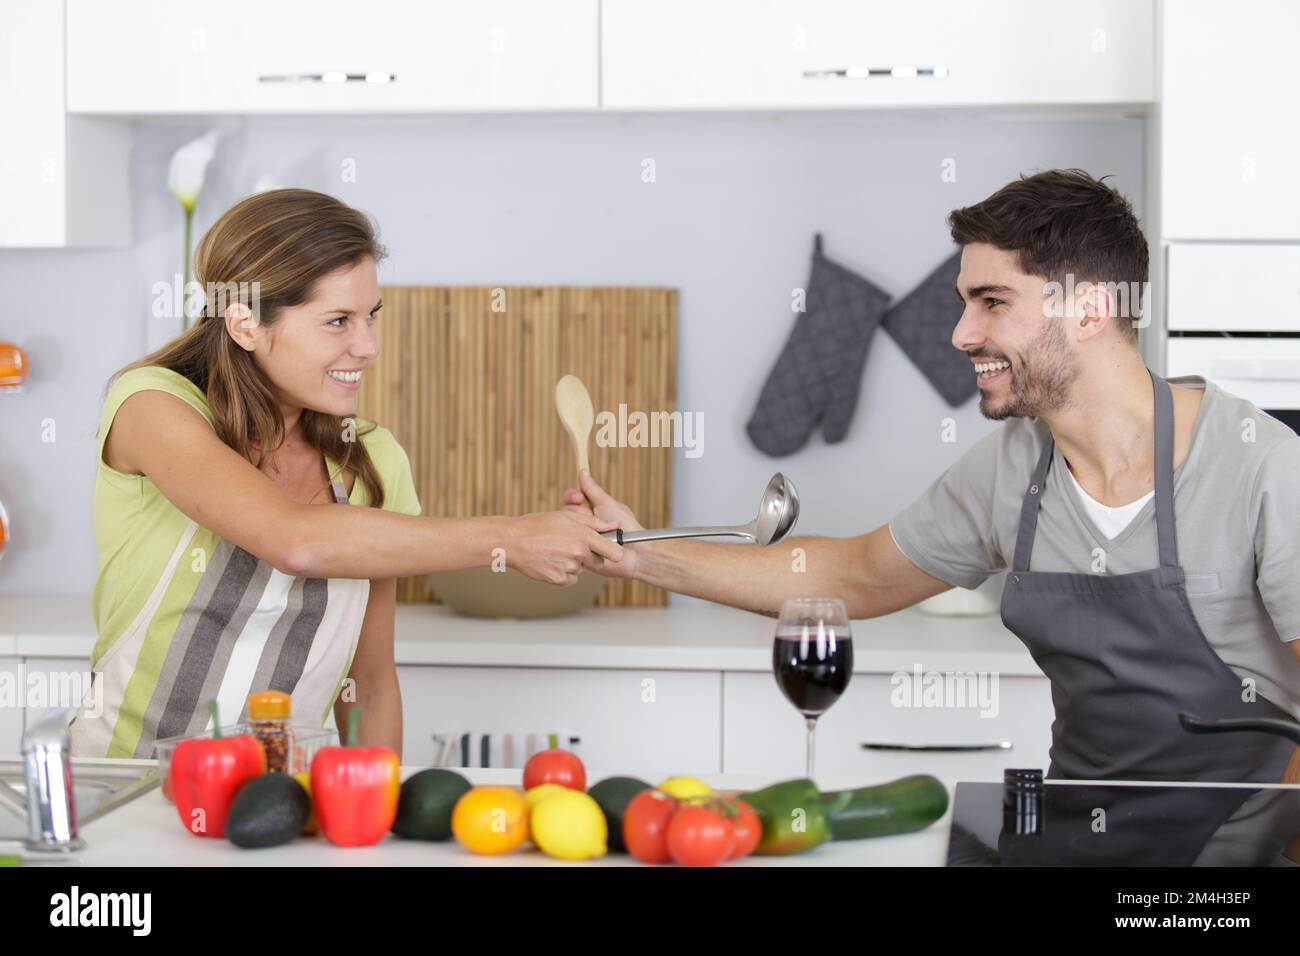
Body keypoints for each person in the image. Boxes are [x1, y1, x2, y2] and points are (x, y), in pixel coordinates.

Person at [567, 169, 1300, 784]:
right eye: (964, 303)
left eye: (993, 302)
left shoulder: (1260, 466)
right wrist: (641, 553)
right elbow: (853, 576)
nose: (961, 334)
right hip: (1077, 838)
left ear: (1090, 309)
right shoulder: (1012, 468)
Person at [70, 188, 622, 759]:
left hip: (281, 797)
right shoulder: (152, 406)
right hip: (125, 788)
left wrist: (375, 802)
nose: (368, 346)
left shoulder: (374, 461)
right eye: (338, 321)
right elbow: (295, 541)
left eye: (370, 316)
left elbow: (371, 685)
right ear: (245, 324)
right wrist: (511, 538)